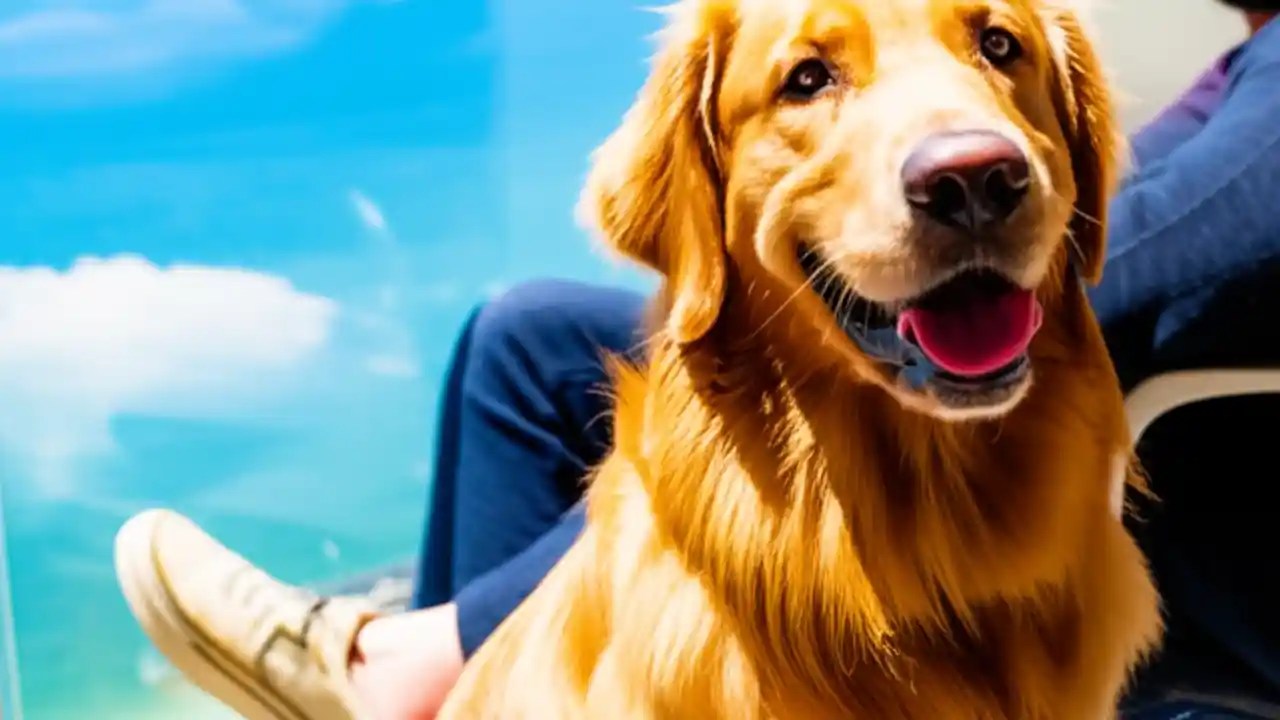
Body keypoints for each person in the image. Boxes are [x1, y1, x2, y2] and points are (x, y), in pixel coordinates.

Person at [114, 3, 1280, 719]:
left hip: (1206, 522)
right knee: (523, 337)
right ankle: (455, 671)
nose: (967, 125)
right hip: (904, 371)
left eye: (994, 47)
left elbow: (1125, 252)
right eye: (808, 79)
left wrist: (950, 179)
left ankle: (407, 670)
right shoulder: (1236, 69)